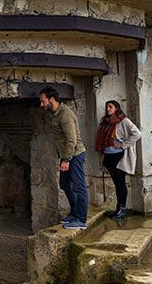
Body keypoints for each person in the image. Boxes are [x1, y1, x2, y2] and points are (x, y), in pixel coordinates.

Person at [38, 87, 89, 230]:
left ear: (51, 99)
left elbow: (71, 140)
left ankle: (81, 219)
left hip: (75, 155)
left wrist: (66, 160)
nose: (41, 105)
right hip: (67, 155)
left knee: (79, 187)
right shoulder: (56, 114)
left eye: (43, 101)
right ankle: (74, 213)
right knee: (65, 184)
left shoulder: (65, 114)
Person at [95, 100, 141, 221]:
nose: (108, 109)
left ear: (117, 108)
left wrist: (122, 144)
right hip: (108, 157)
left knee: (120, 183)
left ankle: (122, 210)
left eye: (110, 107)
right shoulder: (106, 122)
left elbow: (137, 134)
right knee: (117, 183)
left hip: (119, 157)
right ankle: (119, 209)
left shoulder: (123, 121)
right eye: (107, 107)